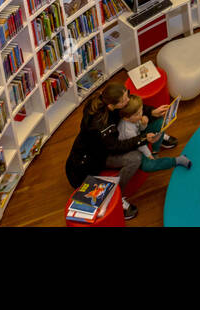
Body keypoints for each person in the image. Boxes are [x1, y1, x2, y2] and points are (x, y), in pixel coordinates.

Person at [64, 82, 179, 221]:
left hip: (115, 139)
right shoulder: (99, 124)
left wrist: (151, 112)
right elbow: (116, 147)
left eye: (127, 95)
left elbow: (131, 107)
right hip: (99, 155)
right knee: (135, 158)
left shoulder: (114, 102)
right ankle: (118, 195)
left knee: (156, 121)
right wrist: (143, 139)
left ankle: (157, 136)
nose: (128, 100)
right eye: (124, 100)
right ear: (112, 106)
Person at [116, 94, 191, 174]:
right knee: (148, 165)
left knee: (160, 123)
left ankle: (155, 151)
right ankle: (177, 160)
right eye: (137, 114)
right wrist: (148, 155)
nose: (141, 114)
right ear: (126, 118)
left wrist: (143, 124)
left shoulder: (133, 118)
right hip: (133, 147)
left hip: (139, 138)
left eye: (141, 110)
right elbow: (139, 144)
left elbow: (139, 129)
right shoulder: (127, 130)